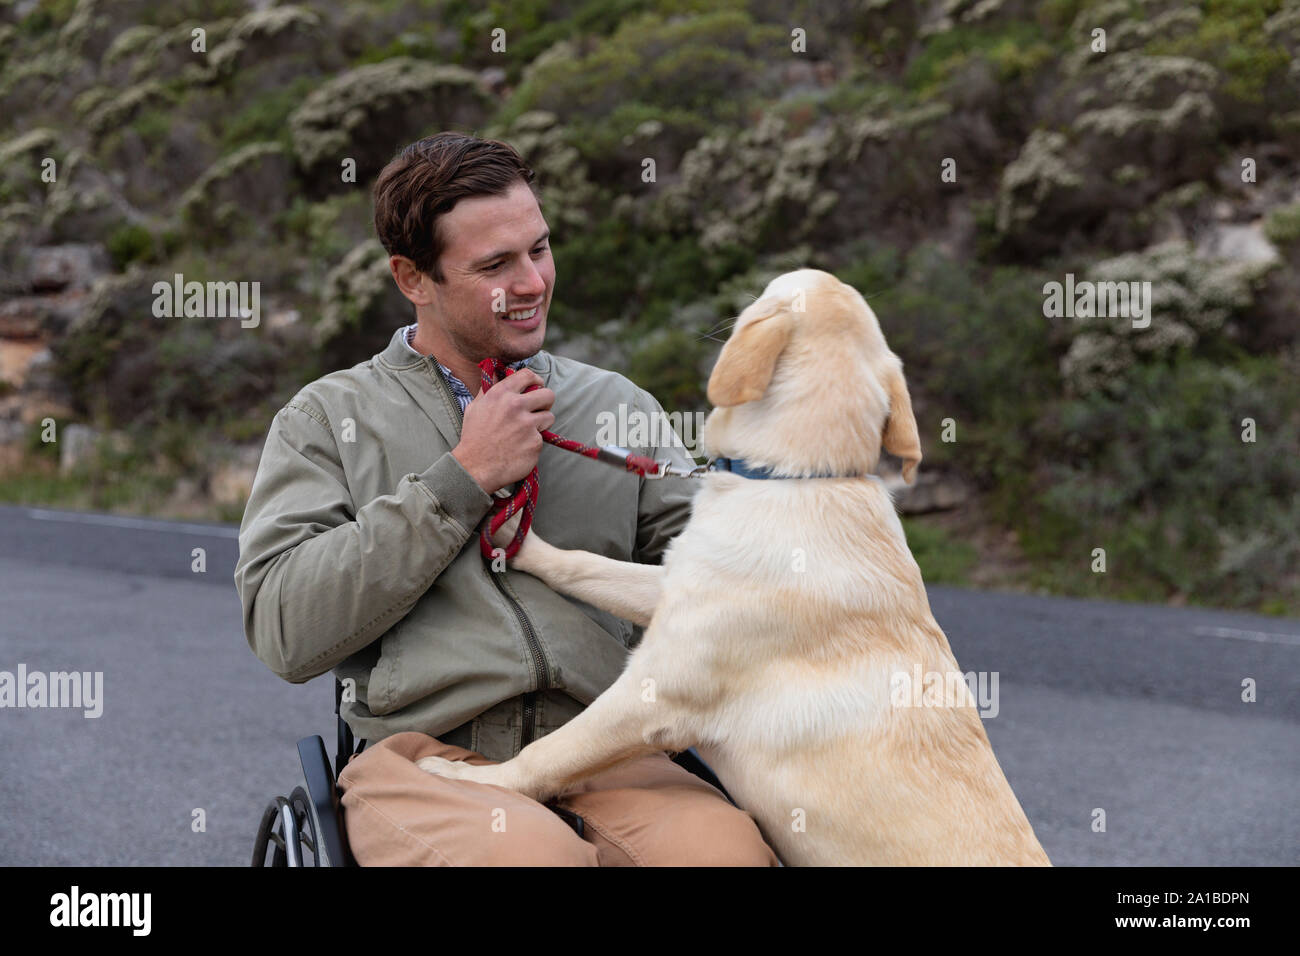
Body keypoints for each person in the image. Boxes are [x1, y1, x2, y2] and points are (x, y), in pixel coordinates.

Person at [234, 132, 779, 866]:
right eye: (495, 265)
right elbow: (284, 627)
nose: (531, 282)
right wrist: (461, 478)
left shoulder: (616, 406)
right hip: (425, 762)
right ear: (412, 278)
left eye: (539, 249)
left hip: (607, 744)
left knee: (729, 856)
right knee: (533, 859)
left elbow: (729, 582)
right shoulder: (326, 419)